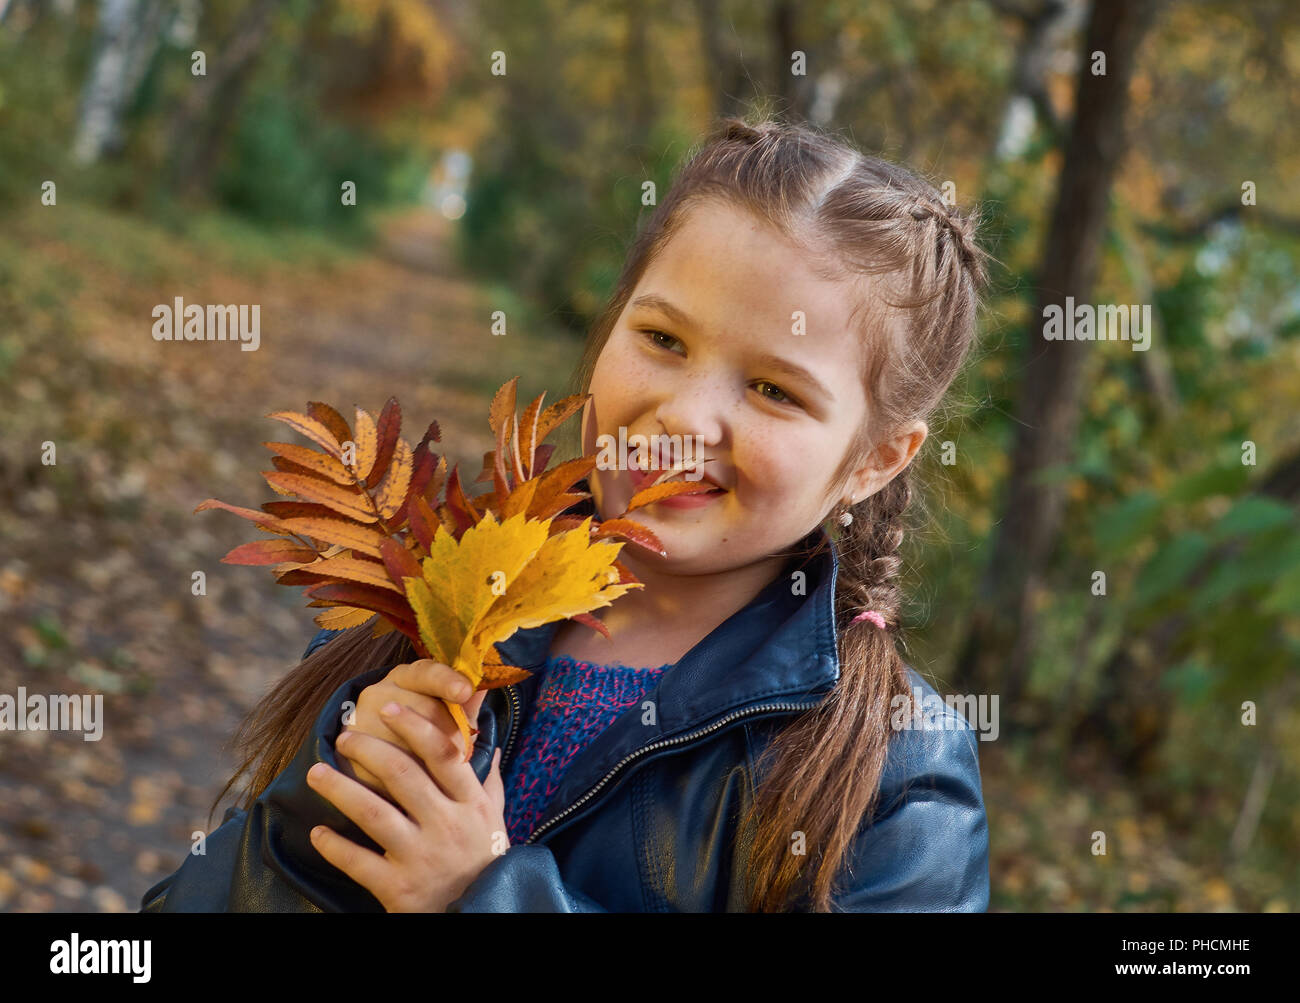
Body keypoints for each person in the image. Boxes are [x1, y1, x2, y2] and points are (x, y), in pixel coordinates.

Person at [141, 115, 991, 913]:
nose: (684, 415)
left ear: (877, 459)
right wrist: (322, 805)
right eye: (663, 339)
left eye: (773, 389)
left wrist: (484, 893)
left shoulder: (896, 779)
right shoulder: (438, 605)